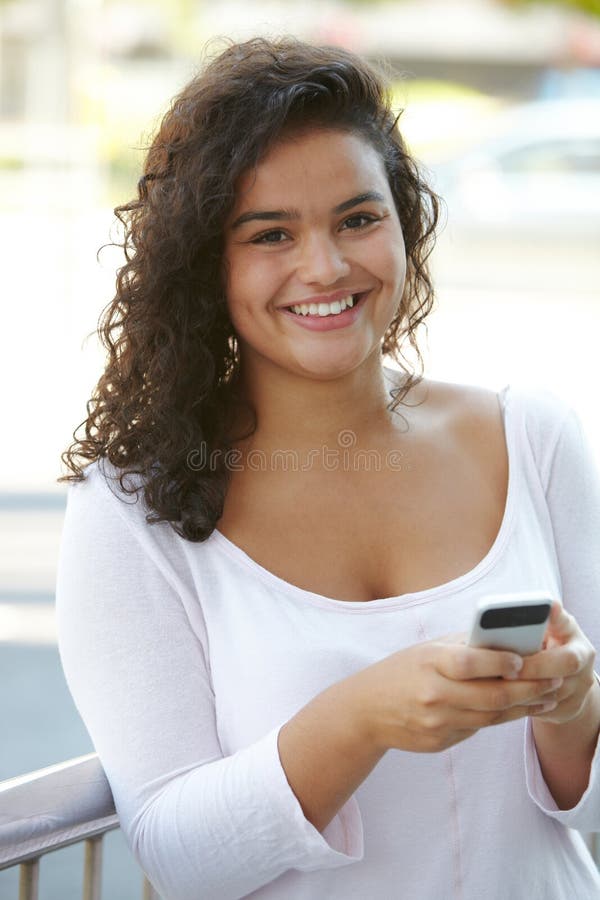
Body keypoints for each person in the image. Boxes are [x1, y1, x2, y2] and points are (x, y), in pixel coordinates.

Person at [55, 36, 600, 900]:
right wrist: (363, 716)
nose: (327, 266)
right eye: (271, 233)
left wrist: (573, 705)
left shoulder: (532, 437)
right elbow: (177, 858)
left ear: (404, 222)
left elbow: (590, 802)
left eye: (358, 218)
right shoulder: (131, 510)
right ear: (207, 266)